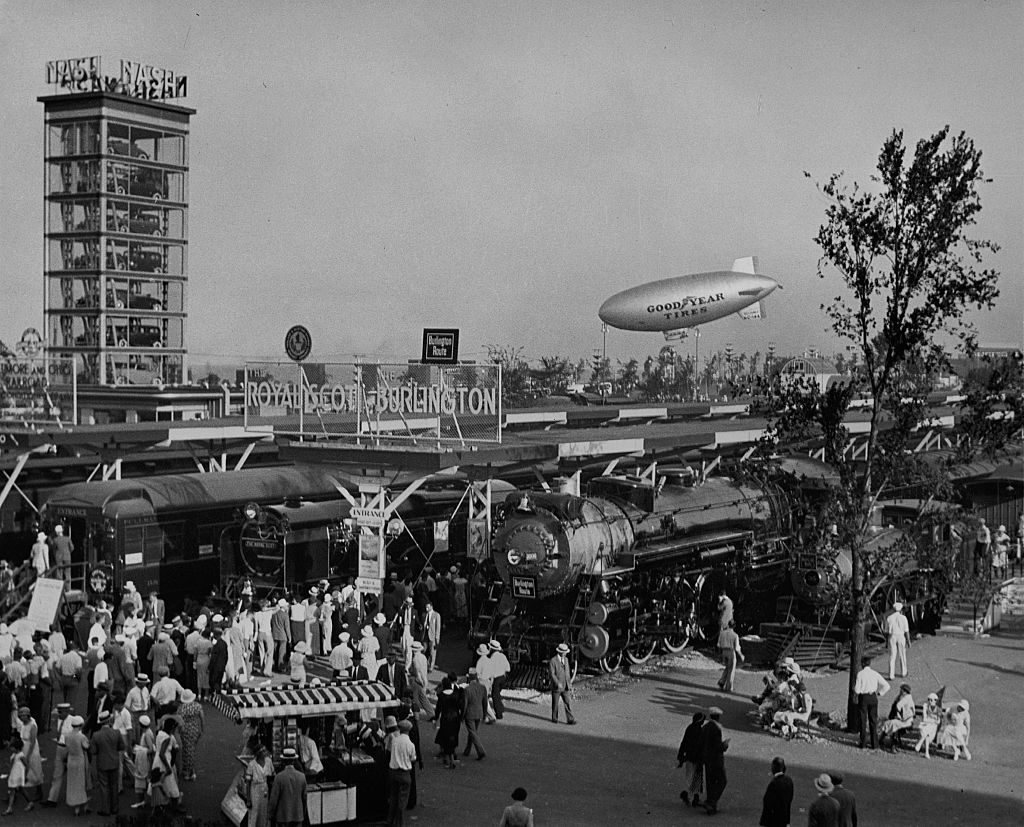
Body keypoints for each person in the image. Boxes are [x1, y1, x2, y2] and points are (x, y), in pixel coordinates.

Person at [90, 709, 124, 817]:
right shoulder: (117, 733)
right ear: (109, 721)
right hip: (114, 761)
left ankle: (105, 809)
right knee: (114, 785)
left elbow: (93, 751)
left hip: (102, 763)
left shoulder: (96, 735)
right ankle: (115, 808)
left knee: (104, 786)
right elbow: (121, 747)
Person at [853, 656, 889, 749]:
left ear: (862, 664)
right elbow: (886, 685)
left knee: (863, 720)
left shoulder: (860, 674)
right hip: (873, 697)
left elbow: (857, 690)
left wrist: (860, 690)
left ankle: (863, 742)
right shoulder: (875, 673)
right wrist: (880, 693)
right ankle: (874, 743)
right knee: (873, 721)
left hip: (864, 698)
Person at [387, 720, 416, 827]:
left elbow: (389, 751)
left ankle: (390, 820)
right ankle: (400, 823)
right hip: (404, 773)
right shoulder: (410, 744)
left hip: (393, 771)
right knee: (402, 800)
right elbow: (412, 758)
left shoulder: (394, 740)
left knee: (393, 797)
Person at [700, 706, 729, 815]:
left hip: (707, 759)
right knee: (722, 780)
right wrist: (725, 745)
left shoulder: (706, 727)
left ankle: (710, 802)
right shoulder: (716, 729)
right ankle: (711, 803)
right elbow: (717, 746)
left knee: (711, 782)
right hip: (716, 760)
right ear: (718, 717)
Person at [269, 747, 307, 827]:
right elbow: (304, 798)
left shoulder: (279, 777)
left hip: (282, 816)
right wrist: (303, 812)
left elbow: (274, 799)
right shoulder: (302, 777)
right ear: (294, 760)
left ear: (283, 760)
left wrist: (271, 815)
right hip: (298, 815)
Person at [150, 717, 181, 813]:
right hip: (164, 761)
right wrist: (168, 767)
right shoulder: (167, 738)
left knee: (160, 783)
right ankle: (174, 808)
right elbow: (162, 753)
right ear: (172, 728)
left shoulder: (160, 733)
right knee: (172, 785)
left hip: (157, 761)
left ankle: (160, 804)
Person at [432, 677, 463, 769]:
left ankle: (448, 759)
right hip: (455, 718)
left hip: (445, 719)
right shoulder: (456, 694)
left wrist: (435, 719)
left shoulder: (441, 696)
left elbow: (438, 710)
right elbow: (460, 706)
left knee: (445, 737)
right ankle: (452, 756)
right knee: (453, 737)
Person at [676, 711, 705, 807]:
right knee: (697, 777)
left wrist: (681, 757)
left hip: (689, 757)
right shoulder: (700, 731)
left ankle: (691, 795)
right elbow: (701, 747)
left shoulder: (689, 728)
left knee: (690, 776)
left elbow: (683, 743)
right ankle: (694, 796)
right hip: (697, 758)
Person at [17, 706, 44, 804]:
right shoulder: (22, 724)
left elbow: (32, 741)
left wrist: (28, 755)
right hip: (23, 747)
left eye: (24, 715)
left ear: (28, 715)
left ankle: (39, 791)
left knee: (34, 768)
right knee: (19, 768)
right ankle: (16, 789)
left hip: (31, 749)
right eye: (21, 715)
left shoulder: (33, 725)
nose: (22, 717)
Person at [241, 743, 272, 827]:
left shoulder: (268, 761)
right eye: (262, 751)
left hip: (265, 790)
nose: (264, 752)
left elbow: (272, 775)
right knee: (255, 813)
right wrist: (248, 799)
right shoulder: (252, 765)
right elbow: (248, 782)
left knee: (264, 812)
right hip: (255, 790)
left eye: (265, 750)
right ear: (257, 754)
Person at [65, 716, 91, 816]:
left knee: (73, 782)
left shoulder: (67, 735)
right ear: (80, 725)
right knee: (82, 782)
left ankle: (76, 807)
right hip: (80, 760)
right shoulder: (81, 737)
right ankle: (83, 805)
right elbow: (86, 746)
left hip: (71, 760)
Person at [758, 756, 794, 827]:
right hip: (785, 819)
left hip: (773, 821)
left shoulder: (774, 784)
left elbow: (768, 803)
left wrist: (763, 822)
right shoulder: (789, 781)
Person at [177, 688, 204, 780]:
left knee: (186, 750)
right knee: (192, 749)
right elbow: (202, 718)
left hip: (185, 730)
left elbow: (179, 720)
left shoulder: (181, 708)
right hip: (195, 729)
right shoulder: (197, 706)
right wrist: (202, 729)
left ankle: (188, 771)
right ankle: (190, 770)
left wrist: (179, 730)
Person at [462, 668, 488, 760]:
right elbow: (485, 702)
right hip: (479, 712)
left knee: (472, 733)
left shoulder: (467, 689)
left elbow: (465, 704)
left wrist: (462, 716)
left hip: (469, 713)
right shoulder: (482, 687)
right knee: (473, 732)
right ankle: (467, 750)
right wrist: (485, 714)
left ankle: (481, 751)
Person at [880, 683, 915, 750]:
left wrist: (898, 716)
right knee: (890, 723)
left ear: (904, 691)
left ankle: (893, 745)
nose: (900, 691)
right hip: (904, 720)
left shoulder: (906, 698)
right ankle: (883, 740)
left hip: (906, 721)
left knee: (893, 724)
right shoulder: (902, 697)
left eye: (901, 690)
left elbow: (898, 706)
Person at [548, 643, 576, 725]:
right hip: (557, 687)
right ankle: (554, 718)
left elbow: (567, 673)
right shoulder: (553, 661)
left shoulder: (566, 660)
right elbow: (552, 674)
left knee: (567, 702)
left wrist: (570, 685)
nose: (566, 653)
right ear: (560, 652)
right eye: (565, 652)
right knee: (555, 703)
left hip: (565, 685)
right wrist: (557, 683)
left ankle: (570, 719)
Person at [131, 714, 155, 808]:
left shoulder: (147, 735)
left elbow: (150, 749)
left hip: (145, 761)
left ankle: (141, 801)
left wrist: (140, 751)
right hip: (146, 759)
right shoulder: (148, 732)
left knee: (140, 781)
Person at [4, 737, 33, 813]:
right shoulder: (15, 754)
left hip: (17, 775)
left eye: (12, 747)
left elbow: (27, 766)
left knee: (17, 790)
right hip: (14, 775)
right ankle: (10, 807)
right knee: (17, 790)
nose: (11, 749)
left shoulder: (21, 756)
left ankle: (10, 807)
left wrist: (26, 775)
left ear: (16, 748)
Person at [885, 602, 910, 680]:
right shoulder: (903, 618)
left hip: (892, 636)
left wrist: (886, 642)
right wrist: (908, 641)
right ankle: (904, 672)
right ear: (901, 609)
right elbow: (906, 631)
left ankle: (891, 675)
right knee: (902, 655)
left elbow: (886, 632)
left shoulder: (889, 618)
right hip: (901, 636)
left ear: (893, 609)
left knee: (892, 656)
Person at [716, 620, 744, 693]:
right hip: (731, 652)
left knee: (727, 667)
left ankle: (722, 681)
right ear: (734, 626)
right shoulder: (735, 635)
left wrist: (719, 654)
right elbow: (737, 647)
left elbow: (718, 645)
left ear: (728, 624)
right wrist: (741, 655)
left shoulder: (722, 633)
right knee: (731, 669)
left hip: (724, 651)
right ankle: (729, 687)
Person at [486, 640, 511, 720]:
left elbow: (490, 672)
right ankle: (500, 707)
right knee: (497, 694)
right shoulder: (503, 656)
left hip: (496, 679)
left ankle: (499, 714)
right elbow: (508, 668)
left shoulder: (491, 658)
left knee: (495, 696)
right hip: (503, 678)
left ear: (492, 649)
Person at [915, 692, 943, 758]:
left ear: (935, 701)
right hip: (926, 725)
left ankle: (920, 743)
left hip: (933, 727)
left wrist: (932, 721)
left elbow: (938, 721)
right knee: (927, 732)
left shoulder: (938, 709)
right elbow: (924, 718)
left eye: (932, 700)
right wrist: (931, 720)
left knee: (928, 731)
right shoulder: (926, 707)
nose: (930, 701)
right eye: (929, 700)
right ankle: (926, 753)